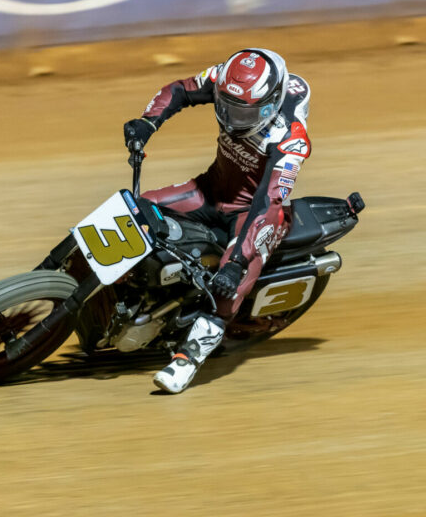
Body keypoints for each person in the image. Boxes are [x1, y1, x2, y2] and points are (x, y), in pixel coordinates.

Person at [123, 48, 312, 394]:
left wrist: (235, 263)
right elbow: (178, 89)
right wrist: (147, 122)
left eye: (246, 113)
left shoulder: (291, 141)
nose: (233, 119)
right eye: (227, 107)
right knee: (136, 209)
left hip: (253, 213)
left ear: (271, 104)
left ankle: (187, 359)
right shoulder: (225, 79)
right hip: (211, 188)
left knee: (228, 282)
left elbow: (266, 203)